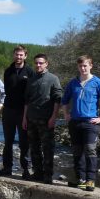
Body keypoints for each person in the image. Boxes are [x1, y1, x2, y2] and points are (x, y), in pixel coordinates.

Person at [61, 55, 100, 192]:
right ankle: (80, 179)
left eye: (85, 65)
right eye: (80, 66)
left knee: (90, 150)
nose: (83, 68)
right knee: (77, 151)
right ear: (77, 67)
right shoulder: (73, 83)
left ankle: (90, 180)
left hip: (90, 123)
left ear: (91, 66)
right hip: (75, 123)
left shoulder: (98, 83)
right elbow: (64, 100)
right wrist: (66, 114)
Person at [22, 53, 62, 184]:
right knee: (34, 148)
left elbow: (57, 99)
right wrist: (24, 118)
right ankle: (37, 173)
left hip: (46, 119)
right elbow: (27, 101)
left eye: (41, 63)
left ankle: (48, 175)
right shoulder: (31, 79)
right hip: (31, 118)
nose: (38, 65)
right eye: (36, 63)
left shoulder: (53, 79)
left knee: (48, 148)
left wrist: (54, 117)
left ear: (46, 64)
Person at [0, 45, 33, 179]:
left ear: (25, 56)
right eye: (16, 54)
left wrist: (27, 113)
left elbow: (31, 94)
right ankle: (7, 168)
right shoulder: (8, 71)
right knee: (8, 141)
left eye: (21, 55)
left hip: (23, 111)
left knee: (24, 142)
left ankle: (26, 170)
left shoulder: (29, 72)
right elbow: (7, 91)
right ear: (14, 55)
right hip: (9, 110)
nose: (18, 57)